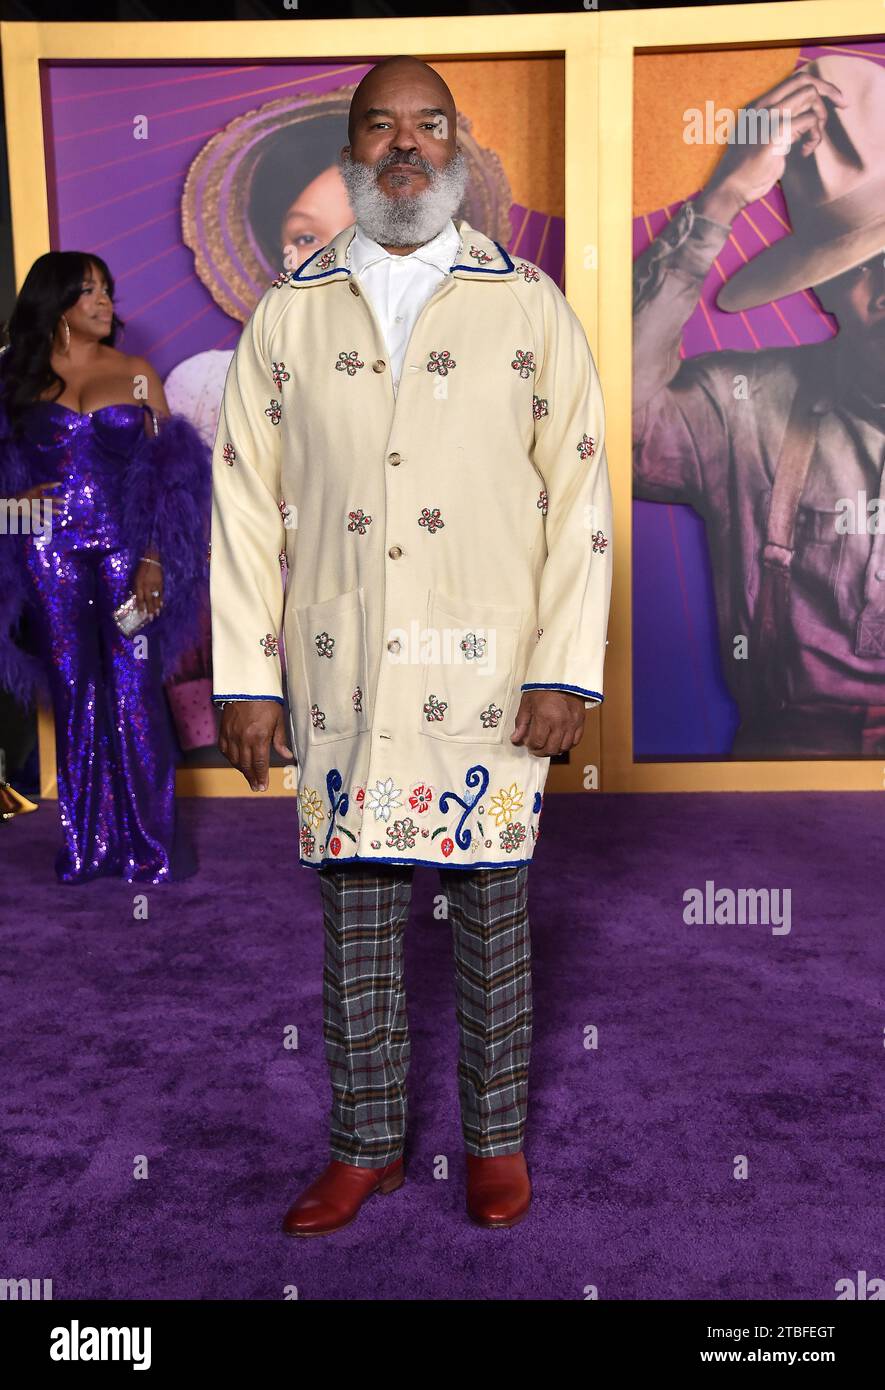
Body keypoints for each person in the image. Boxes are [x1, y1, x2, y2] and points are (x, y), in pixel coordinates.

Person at [209, 56, 613, 1233]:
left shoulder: (527, 303)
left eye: (428, 125)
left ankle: (494, 1142)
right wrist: (246, 678)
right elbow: (242, 505)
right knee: (358, 918)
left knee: (492, 915)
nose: (405, 145)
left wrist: (562, 666)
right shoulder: (289, 311)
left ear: (458, 149)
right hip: (343, 672)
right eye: (379, 126)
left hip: (489, 672)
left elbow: (580, 492)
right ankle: (366, 1145)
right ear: (350, 154)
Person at [633, 53, 885, 757]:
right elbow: (597, 423)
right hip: (785, 781)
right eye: (859, 265)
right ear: (818, 286)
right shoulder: (742, 406)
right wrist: (724, 198)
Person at [0, 251, 211, 882]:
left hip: (128, 553)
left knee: (135, 688)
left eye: (107, 289)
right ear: (55, 300)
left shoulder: (136, 373)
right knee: (74, 691)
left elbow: (174, 476)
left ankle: (149, 849)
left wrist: (154, 557)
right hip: (47, 553)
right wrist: (13, 507)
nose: (104, 301)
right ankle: (87, 847)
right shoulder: (15, 377)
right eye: (87, 289)